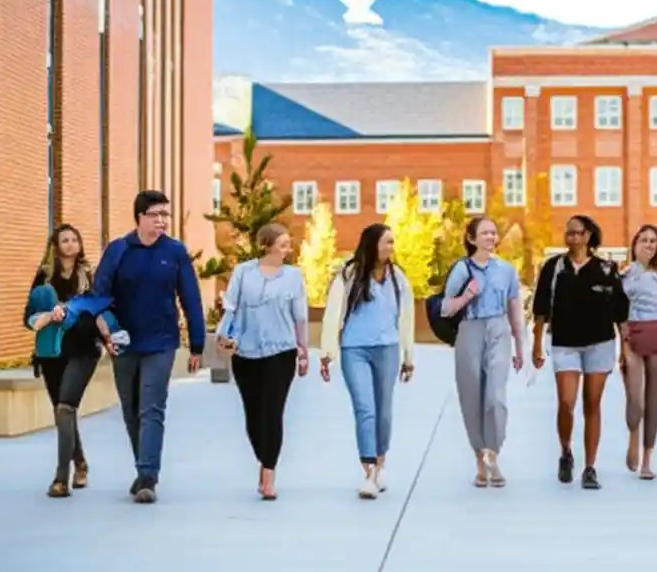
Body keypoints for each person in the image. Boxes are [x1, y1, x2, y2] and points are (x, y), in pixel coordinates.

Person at [93, 190, 206, 504]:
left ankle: (147, 476)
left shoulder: (175, 251)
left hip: (161, 342)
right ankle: (143, 467)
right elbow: (99, 297)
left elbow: (191, 298)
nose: (161, 221)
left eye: (165, 215)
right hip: (123, 343)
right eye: (155, 214)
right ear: (139, 217)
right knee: (131, 410)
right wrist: (106, 333)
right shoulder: (118, 250)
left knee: (151, 408)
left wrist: (197, 344)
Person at [532, 215, 628, 490]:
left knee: (592, 404)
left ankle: (590, 467)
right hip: (564, 343)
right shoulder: (554, 268)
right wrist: (536, 344)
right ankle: (566, 452)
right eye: (568, 233)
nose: (572, 238)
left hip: (600, 343)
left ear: (588, 236)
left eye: (577, 233)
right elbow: (541, 309)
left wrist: (625, 349)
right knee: (566, 402)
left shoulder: (606, 269)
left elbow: (620, 312)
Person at [320, 223, 416, 499]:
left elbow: (406, 318)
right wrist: (327, 352)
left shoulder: (398, 278)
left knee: (383, 410)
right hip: (355, 350)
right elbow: (333, 313)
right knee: (365, 409)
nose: (391, 247)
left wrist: (408, 357)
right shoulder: (349, 274)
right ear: (373, 244)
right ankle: (370, 472)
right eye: (387, 242)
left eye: (393, 242)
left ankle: (381, 461)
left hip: (387, 349)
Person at [215, 223, 310, 500]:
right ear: (266, 246)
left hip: (281, 351)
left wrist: (303, 351)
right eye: (282, 244)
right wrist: (223, 335)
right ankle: (264, 457)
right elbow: (231, 308)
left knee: (272, 412)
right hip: (246, 352)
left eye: (288, 244)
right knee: (253, 416)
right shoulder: (243, 272)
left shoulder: (293, 276)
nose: (287, 249)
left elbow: (300, 317)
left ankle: (268, 474)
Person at [24, 224, 118, 498]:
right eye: (64, 240)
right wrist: (44, 317)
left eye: (74, 239)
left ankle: (60, 478)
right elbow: (28, 316)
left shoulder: (90, 275)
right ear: (55, 246)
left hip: (83, 349)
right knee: (62, 410)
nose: (70, 244)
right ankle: (80, 462)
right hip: (52, 352)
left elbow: (103, 308)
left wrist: (106, 334)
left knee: (66, 406)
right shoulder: (44, 277)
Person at [440, 216, 525, 487]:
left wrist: (520, 346)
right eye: (485, 233)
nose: (491, 237)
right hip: (470, 330)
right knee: (472, 397)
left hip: (499, 329)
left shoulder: (506, 270)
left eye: (493, 233)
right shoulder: (461, 269)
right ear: (471, 239)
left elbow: (515, 309)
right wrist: (466, 296)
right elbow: (445, 309)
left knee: (496, 396)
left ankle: (493, 454)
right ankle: (480, 459)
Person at [618, 224, 657, 481]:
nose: (648, 244)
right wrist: (622, 344)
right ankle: (633, 435)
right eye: (643, 240)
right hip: (632, 337)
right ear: (634, 245)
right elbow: (618, 313)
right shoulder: (623, 276)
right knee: (636, 400)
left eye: (653, 241)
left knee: (653, 402)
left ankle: (647, 459)